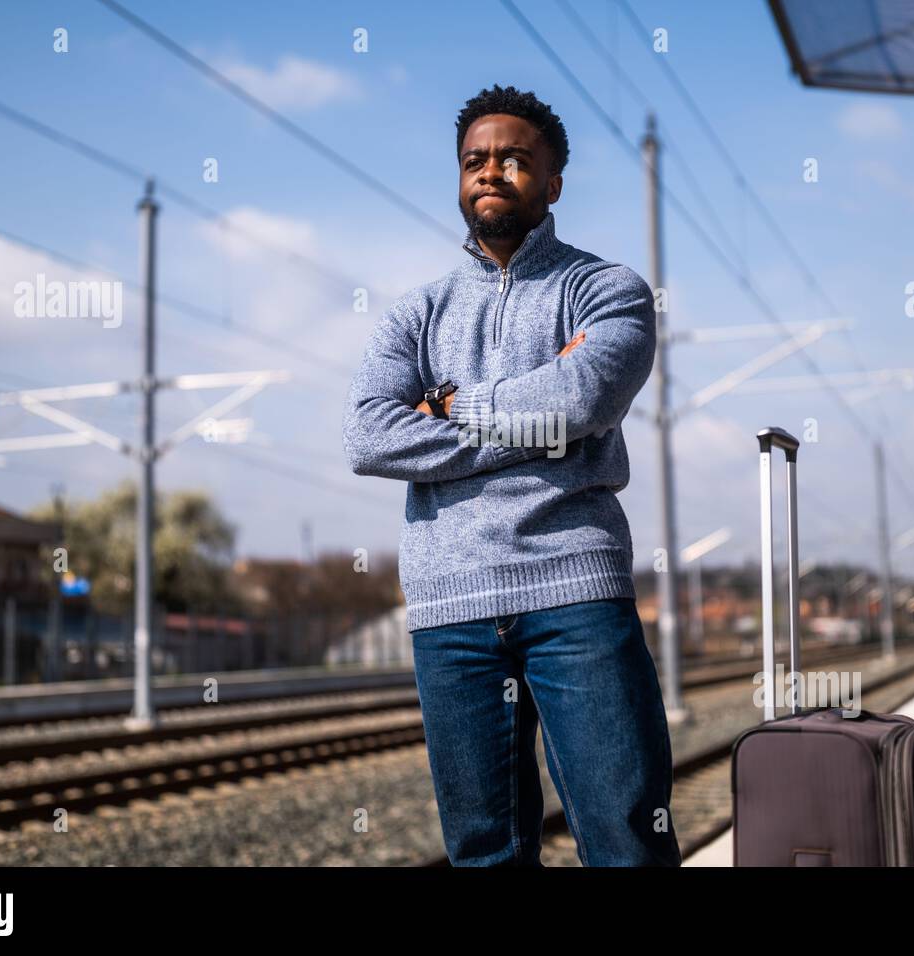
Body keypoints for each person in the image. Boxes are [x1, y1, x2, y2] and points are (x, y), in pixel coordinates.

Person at [342, 84, 680, 866]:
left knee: (626, 836)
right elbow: (367, 436)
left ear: (552, 184)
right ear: (460, 180)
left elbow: (583, 398)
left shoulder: (606, 290)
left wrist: (445, 405)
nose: (491, 172)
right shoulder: (413, 314)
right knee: (483, 851)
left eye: (515, 160)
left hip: (576, 593)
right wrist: (537, 421)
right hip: (448, 606)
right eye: (475, 161)